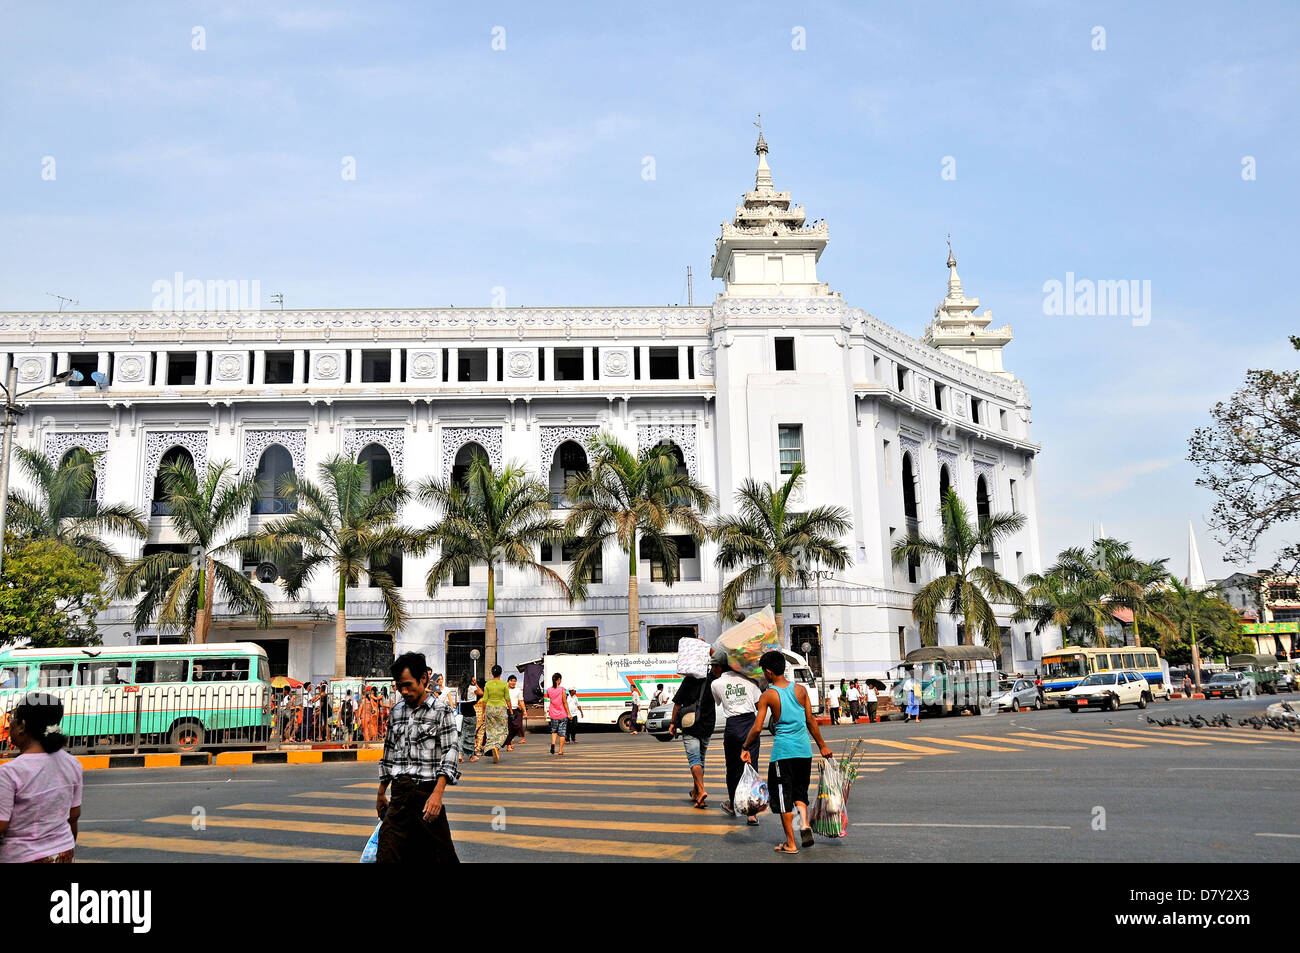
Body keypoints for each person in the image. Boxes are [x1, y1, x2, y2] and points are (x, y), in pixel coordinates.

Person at [742, 651, 832, 854]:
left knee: (783, 798)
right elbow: (811, 721)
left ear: (769, 672)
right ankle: (805, 823)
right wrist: (823, 746)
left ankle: (791, 843)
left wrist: (745, 747)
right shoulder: (800, 690)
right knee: (800, 791)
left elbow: (757, 728)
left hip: (783, 754)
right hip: (804, 751)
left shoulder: (769, 695)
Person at [375, 653, 460, 863]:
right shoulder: (396, 712)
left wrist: (437, 795)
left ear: (423, 678)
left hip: (427, 796)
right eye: (399, 686)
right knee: (387, 854)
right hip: (399, 796)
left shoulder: (441, 711)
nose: (403, 691)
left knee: (440, 856)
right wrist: (381, 792)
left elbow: (450, 753)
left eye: (408, 685)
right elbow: (389, 753)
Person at [0, 693, 83, 863]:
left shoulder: (10, 772)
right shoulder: (72, 763)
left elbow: (1, 825)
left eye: (12, 720)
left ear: (22, 726)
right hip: (63, 853)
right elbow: (73, 816)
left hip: (21, 856)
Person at [710, 651, 761, 826]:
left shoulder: (716, 684)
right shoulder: (750, 681)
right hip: (750, 725)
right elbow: (758, 705)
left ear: (719, 667)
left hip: (732, 727)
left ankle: (732, 804)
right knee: (751, 767)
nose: (712, 670)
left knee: (732, 768)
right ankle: (752, 814)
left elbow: (719, 702)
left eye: (713, 667)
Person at [669, 665, 716, 809]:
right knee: (701, 759)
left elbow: (677, 704)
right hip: (708, 725)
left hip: (690, 725)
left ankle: (701, 791)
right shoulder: (712, 680)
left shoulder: (689, 680)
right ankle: (696, 792)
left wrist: (673, 723)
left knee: (694, 760)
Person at [482, 665, 510, 763]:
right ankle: (496, 747)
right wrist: (510, 711)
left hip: (490, 708)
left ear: (492, 673)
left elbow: (484, 700)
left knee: (491, 730)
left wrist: (483, 713)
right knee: (503, 730)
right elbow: (507, 699)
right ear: (501, 673)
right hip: (501, 709)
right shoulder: (504, 684)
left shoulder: (488, 684)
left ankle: (491, 746)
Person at [457, 676, 480, 763]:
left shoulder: (459, 688)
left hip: (462, 714)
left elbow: (456, 701)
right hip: (471, 714)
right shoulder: (472, 688)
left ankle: (460, 754)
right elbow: (481, 693)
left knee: (462, 735)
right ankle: (471, 756)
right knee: (471, 735)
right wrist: (475, 684)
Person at [546, 673, 569, 755]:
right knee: (562, 733)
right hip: (562, 714)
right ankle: (560, 751)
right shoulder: (562, 689)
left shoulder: (548, 690)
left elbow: (549, 697)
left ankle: (553, 744)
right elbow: (565, 702)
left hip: (553, 714)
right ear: (559, 680)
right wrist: (569, 713)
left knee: (554, 731)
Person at [505, 675, 526, 750]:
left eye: (514, 681)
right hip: (506, 709)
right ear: (508, 681)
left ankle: (509, 742)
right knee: (508, 728)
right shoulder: (505, 689)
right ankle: (509, 745)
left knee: (516, 727)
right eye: (511, 681)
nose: (513, 682)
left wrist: (525, 711)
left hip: (515, 710)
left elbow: (521, 701)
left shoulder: (518, 690)